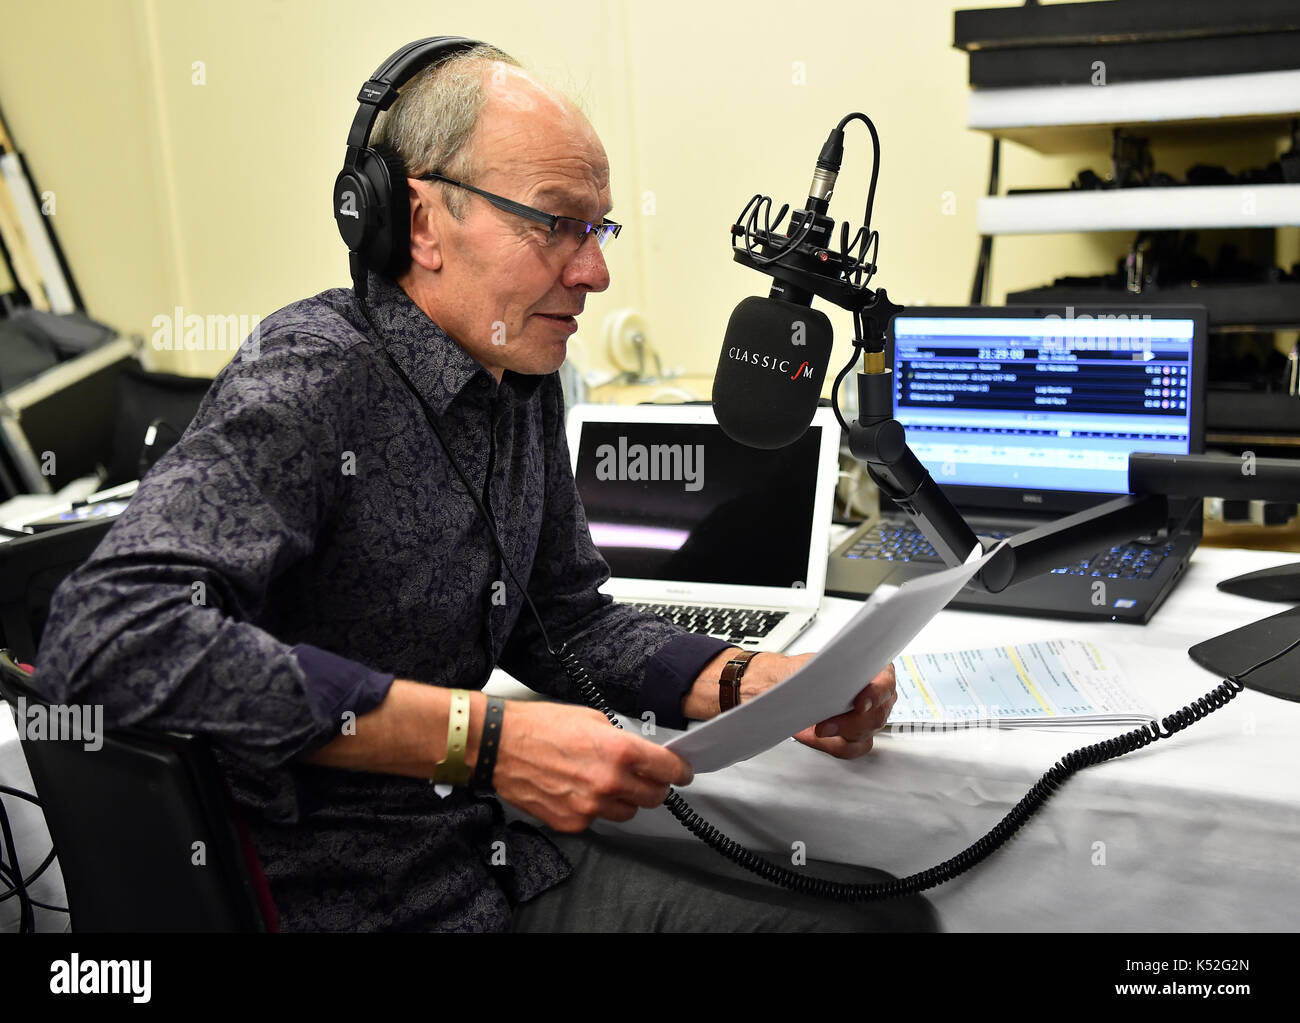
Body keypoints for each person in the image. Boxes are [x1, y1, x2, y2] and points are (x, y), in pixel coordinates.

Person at [32, 42, 935, 932]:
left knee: (884, 915)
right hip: (345, 904)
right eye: (555, 223)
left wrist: (749, 680)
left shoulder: (516, 378)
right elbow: (106, 639)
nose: (595, 270)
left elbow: (568, 621)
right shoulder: (311, 377)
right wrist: (483, 741)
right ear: (418, 222)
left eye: (599, 229)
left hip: (483, 867)